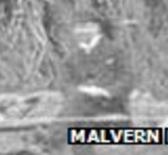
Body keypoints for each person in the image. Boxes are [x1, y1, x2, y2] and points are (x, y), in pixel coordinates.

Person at [56, 11, 133, 154]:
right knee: (80, 114)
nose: (81, 31)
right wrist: (80, 91)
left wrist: (105, 92)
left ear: (97, 28)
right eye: (78, 27)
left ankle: (51, 141)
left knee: (76, 106)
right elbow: (64, 83)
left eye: (85, 26)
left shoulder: (116, 51)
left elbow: (127, 79)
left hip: (109, 103)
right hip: (80, 105)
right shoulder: (71, 57)